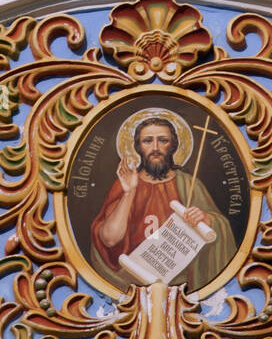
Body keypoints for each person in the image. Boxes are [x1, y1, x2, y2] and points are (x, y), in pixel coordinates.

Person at [90, 116, 235, 292]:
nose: (155, 148)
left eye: (163, 140)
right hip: (131, 281)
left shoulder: (189, 184)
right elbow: (110, 238)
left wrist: (206, 220)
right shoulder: (127, 183)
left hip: (181, 285)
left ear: (173, 146)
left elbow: (220, 227)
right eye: (148, 141)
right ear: (138, 147)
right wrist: (129, 192)